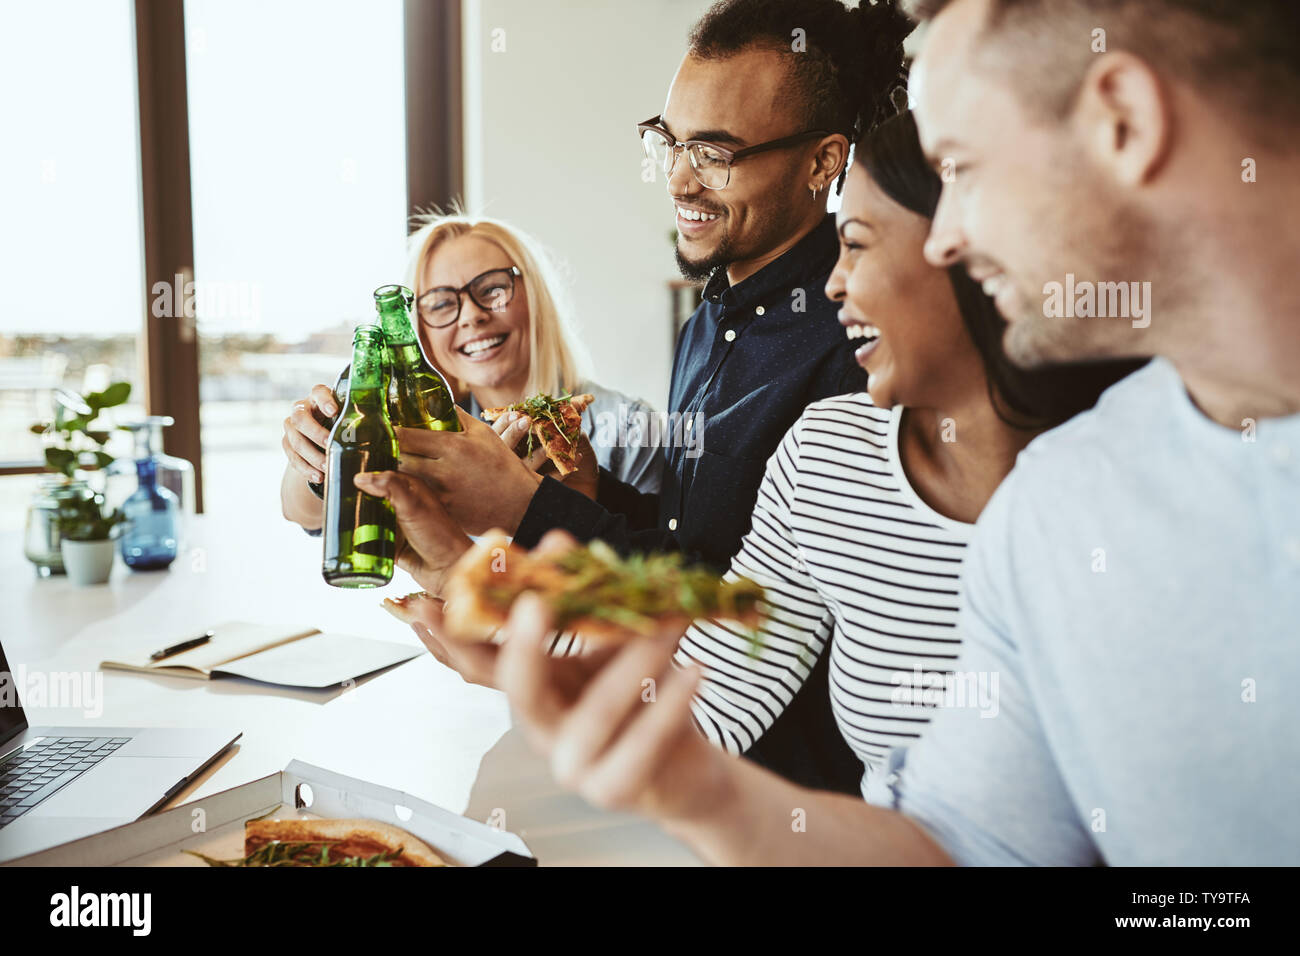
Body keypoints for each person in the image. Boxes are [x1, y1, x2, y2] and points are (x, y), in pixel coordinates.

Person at [390, 0, 1300, 865]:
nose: (950, 238)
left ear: (1124, 125)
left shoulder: (1049, 477)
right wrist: (685, 783)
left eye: (964, 167)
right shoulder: (1060, 497)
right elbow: (967, 845)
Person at [371, 108, 1143, 803]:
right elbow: (703, 696)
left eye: (860, 244)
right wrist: (462, 579)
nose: (835, 287)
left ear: (971, 250)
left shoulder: (1132, 489)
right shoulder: (829, 452)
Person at [384, 0, 915, 796]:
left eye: (715, 151)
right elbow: (694, 543)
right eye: (670, 140)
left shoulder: (857, 346)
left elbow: (741, 613)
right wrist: (596, 497)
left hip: (783, 795)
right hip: (674, 759)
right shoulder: (708, 319)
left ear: (823, 162)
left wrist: (524, 511)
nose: (677, 177)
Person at [278, 213, 663, 535]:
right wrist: (314, 458)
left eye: (493, 289)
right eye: (442, 303)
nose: (471, 315)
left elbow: (662, 565)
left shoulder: (629, 425)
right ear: (419, 330)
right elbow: (304, 515)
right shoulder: (422, 430)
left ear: (536, 298)